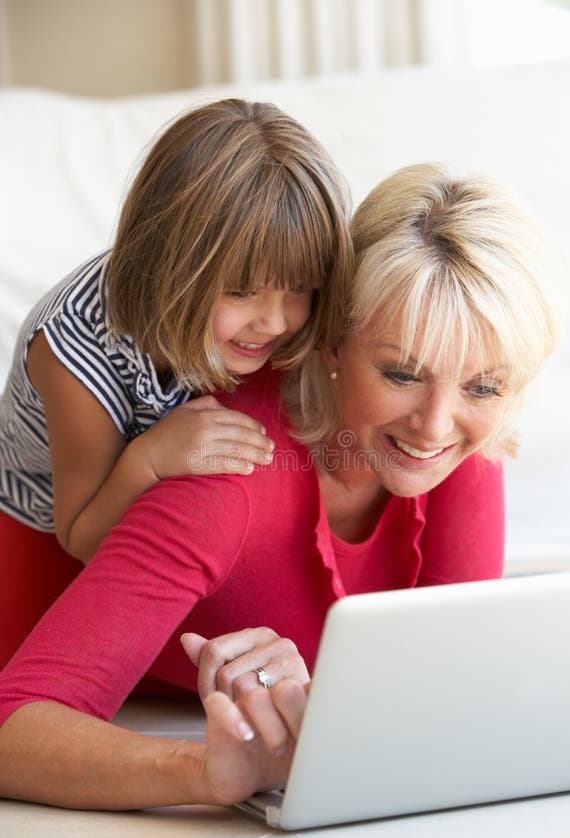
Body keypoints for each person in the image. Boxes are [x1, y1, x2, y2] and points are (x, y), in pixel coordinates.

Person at [0, 162, 559, 810]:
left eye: (484, 386)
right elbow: (15, 726)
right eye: (400, 374)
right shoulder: (227, 479)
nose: (435, 425)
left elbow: (452, 685)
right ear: (330, 342)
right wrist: (207, 770)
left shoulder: (458, 444)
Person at [0, 98, 352, 668]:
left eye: (298, 289)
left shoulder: (261, 333)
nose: (274, 320)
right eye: (242, 291)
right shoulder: (73, 350)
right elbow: (81, 533)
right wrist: (150, 459)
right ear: (171, 263)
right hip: (44, 520)